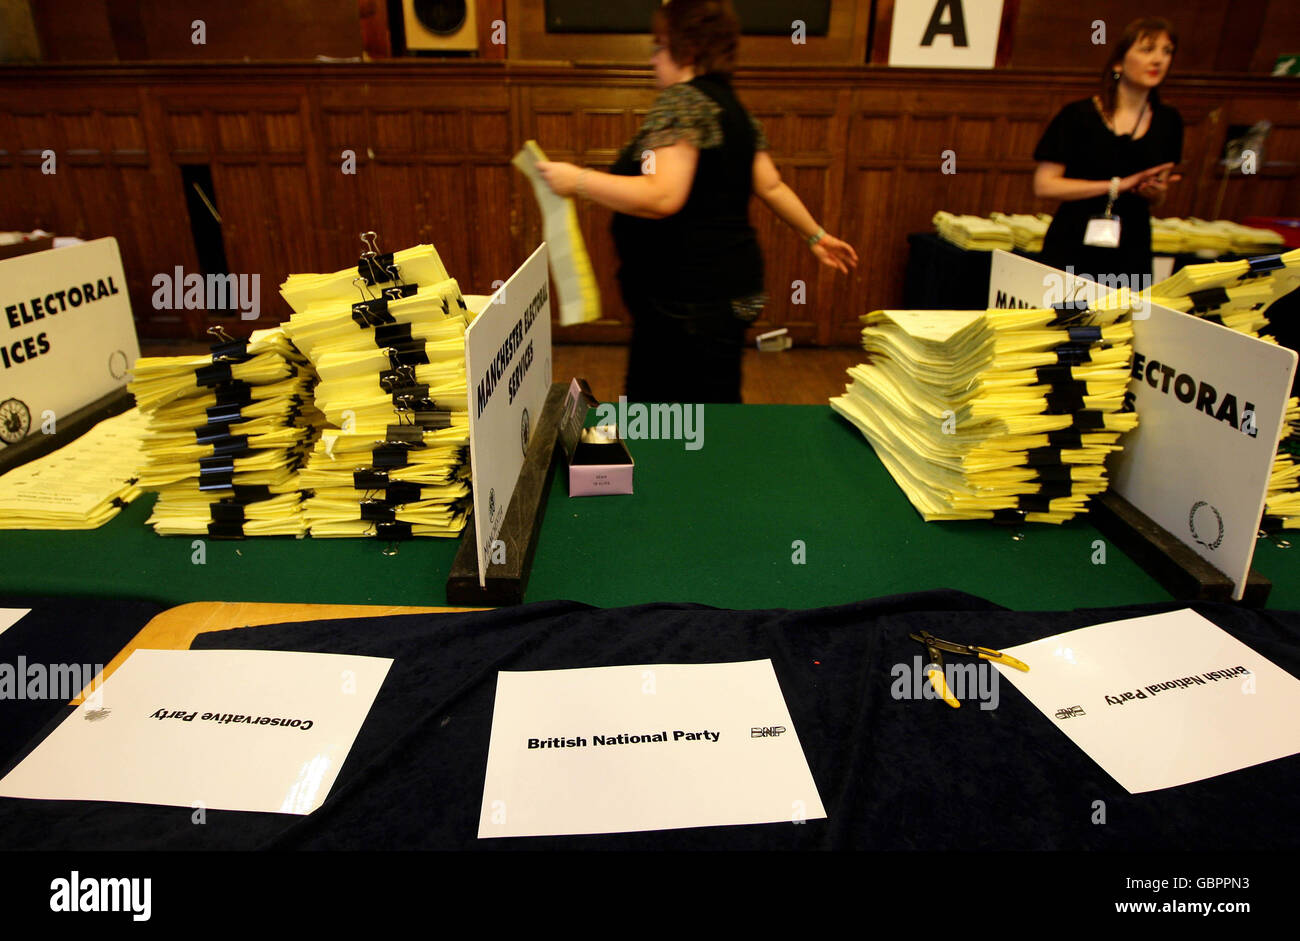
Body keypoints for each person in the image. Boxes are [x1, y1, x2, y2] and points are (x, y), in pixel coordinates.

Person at [536, 0, 856, 404]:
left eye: (658, 46)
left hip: (688, 302)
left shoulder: (682, 102)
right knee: (715, 407)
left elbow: (663, 197)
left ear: (686, 50)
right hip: (730, 293)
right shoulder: (732, 108)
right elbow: (772, 186)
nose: (652, 59)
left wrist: (576, 179)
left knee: (661, 420)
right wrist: (817, 236)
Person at [1033, 17, 1183, 285]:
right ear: (1118, 62)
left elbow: (1159, 198)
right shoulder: (1078, 115)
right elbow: (1044, 186)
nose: (1158, 60)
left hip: (1132, 239)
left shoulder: (1169, 121)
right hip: (1074, 234)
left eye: (1166, 51)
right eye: (1147, 50)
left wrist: (1156, 193)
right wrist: (1118, 185)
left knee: (1124, 322)